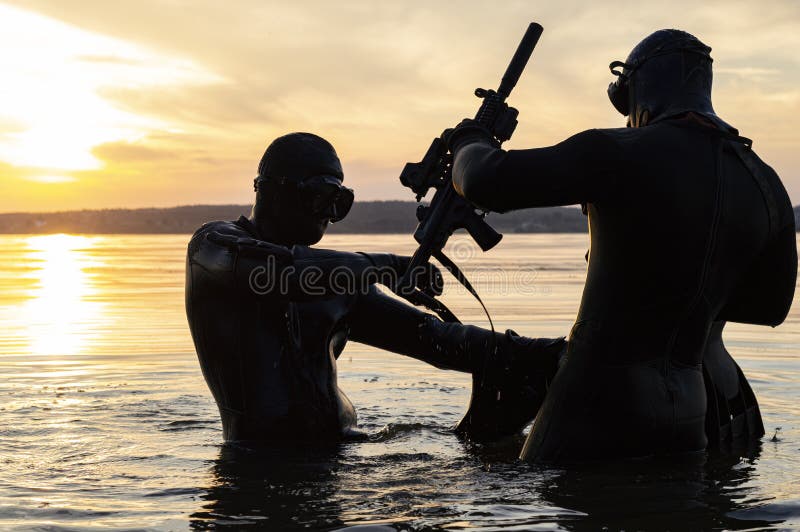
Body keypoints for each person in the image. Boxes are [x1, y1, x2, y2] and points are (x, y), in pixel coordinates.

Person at [446, 29, 796, 462]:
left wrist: (467, 140)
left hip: (592, 409)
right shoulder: (764, 182)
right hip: (691, 414)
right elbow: (770, 309)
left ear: (639, 89)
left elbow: (484, 180)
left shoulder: (614, 151)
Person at [184, 132, 565, 443]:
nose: (328, 215)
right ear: (272, 190)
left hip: (343, 457)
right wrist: (385, 265)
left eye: (341, 202)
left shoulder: (340, 283)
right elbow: (282, 274)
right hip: (256, 468)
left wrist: (542, 353)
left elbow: (435, 338)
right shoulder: (213, 249)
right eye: (322, 197)